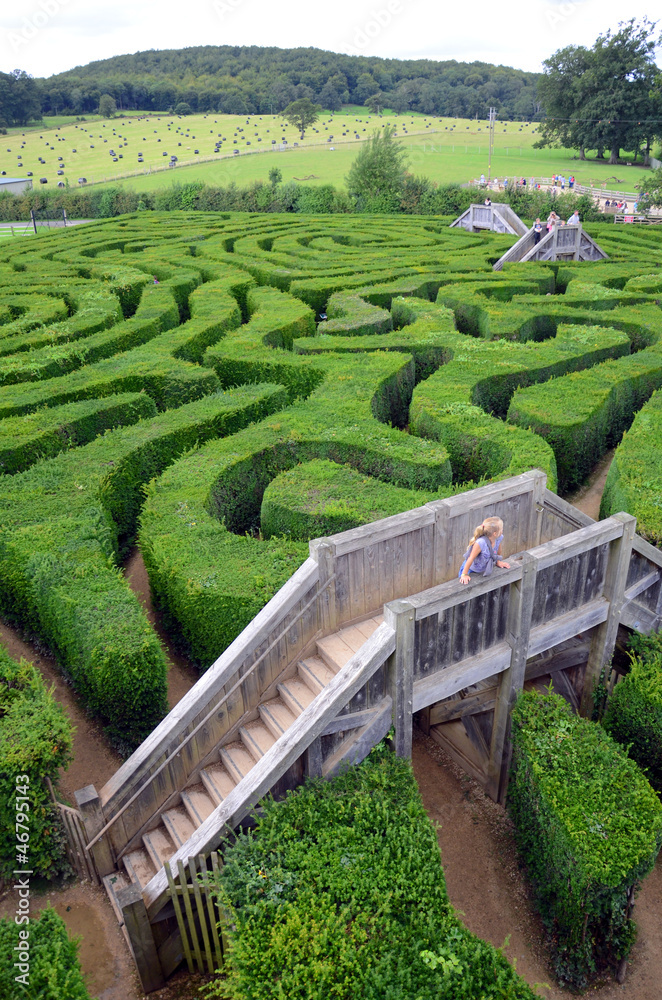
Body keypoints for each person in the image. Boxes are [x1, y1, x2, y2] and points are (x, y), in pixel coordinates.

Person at [459, 517, 510, 585]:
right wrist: (464, 574)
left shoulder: (498, 538)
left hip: (483, 569)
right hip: (470, 568)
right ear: (494, 533)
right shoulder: (481, 543)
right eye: (501, 529)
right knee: (463, 585)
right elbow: (470, 558)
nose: (502, 530)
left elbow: (497, 550)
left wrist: (498, 561)